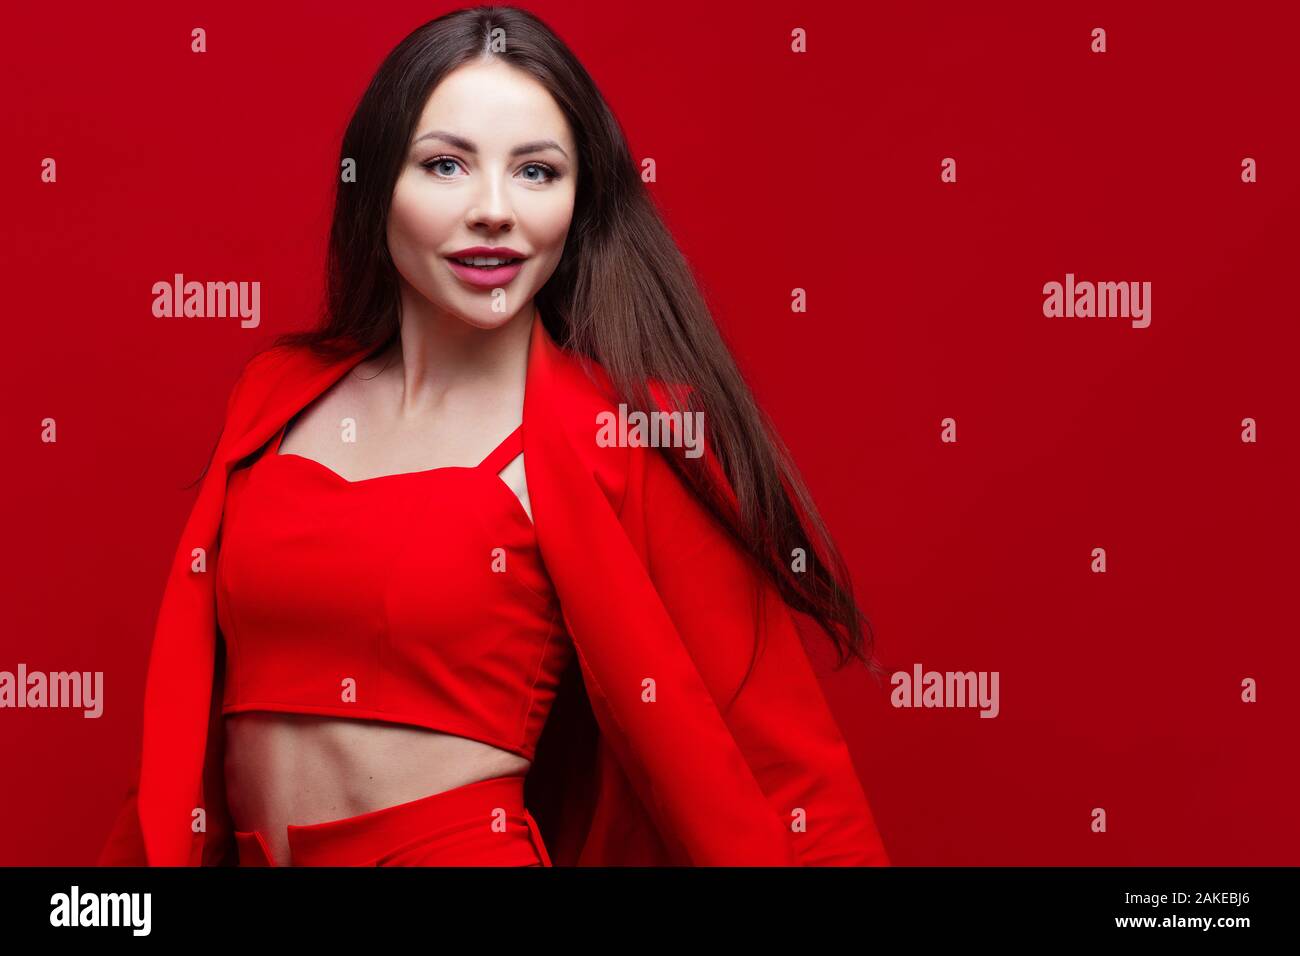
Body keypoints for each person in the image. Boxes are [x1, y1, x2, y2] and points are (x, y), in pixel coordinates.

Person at [98, 5, 891, 867]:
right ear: (375, 184)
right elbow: (181, 744)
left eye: (537, 173)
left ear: (580, 200)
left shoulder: (615, 437)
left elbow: (787, 773)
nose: (493, 211)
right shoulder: (274, 398)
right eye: (445, 164)